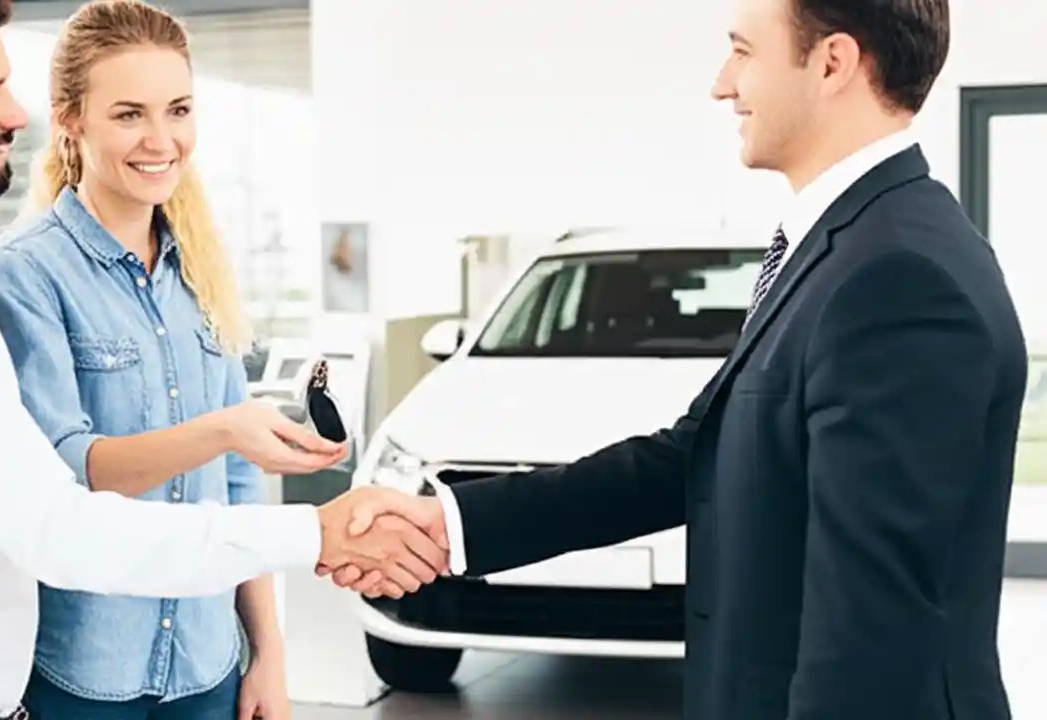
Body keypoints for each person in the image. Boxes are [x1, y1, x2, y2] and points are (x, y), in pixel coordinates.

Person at [330, 0, 1027, 718]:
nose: (722, 85)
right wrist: (447, 524)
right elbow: (691, 456)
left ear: (832, 63)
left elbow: (873, 634)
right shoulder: (849, 249)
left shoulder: (898, 278)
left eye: (743, 52)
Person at [0, 2, 444, 719]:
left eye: (179, 108)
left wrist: (266, 643)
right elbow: (61, 526)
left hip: (118, 675)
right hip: (15, 686)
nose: (15, 113)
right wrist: (313, 529)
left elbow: (205, 486)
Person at [0, 2, 330, 719]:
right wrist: (225, 427)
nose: (161, 139)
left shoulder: (202, 269)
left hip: (208, 663)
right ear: (70, 119)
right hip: (84, 669)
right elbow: (66, 472)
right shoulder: (23, 274)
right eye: (129, 114)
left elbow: (235, 489)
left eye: (179, 110)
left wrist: (268, 653)